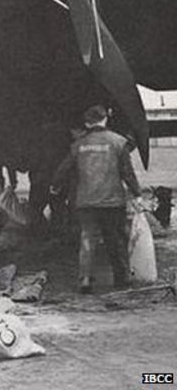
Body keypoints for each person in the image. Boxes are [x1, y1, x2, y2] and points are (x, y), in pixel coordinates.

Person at [51, 104, 142, 293]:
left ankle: (84, 279)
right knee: (115, 238)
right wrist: (137, 194)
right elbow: (128, 173)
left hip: (85, 200)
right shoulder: (118, 142)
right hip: (112, 200)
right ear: (105, 119)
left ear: (87, 123)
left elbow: (64, 168)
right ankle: (121, 277)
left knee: (87, 238)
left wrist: (55, 186)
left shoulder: (78, 144)